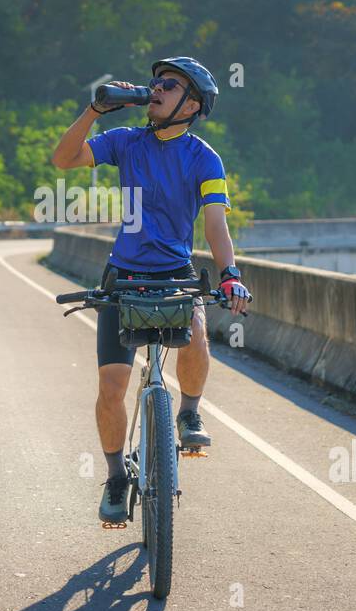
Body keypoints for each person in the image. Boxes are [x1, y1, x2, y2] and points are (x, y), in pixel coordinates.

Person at [51, 57, 251, 524]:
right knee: (111, 386)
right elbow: (64, 160)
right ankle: (117, 474)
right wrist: (93, 112)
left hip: (176, 273)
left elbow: (215, 224)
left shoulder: (205, 158)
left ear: (193, 103)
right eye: (155, 82)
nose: (155, 89)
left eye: (169, 85)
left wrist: (230, 274)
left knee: (198, 333)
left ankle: (189, 413)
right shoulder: (126, 142)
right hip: (123, 276)